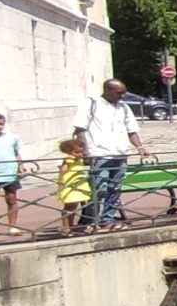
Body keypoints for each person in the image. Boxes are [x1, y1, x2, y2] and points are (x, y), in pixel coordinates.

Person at [73, 78, 148, 228]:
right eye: (119, 92)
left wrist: (140, 148)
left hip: (120, 153)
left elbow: (131, 130)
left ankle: (107, 219)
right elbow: (80, 129)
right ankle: (89, 219)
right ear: (108, 90)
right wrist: (86, 151)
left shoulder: (124, 107)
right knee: (98, 188)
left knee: (114, 188)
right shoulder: (91, 104)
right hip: (99, 153)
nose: (122, 96)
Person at [54, 137, 91, 234]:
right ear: (69, 152)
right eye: (77, 153)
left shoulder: (78, 160)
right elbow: (63, 170)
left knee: (74, 206)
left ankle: (70, 225)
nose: (80, 155)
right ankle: (65, 226)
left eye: (81, 153)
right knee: (69, 206)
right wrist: (66, 163)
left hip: (78, 184)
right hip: (70, 185)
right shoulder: (67, 160)